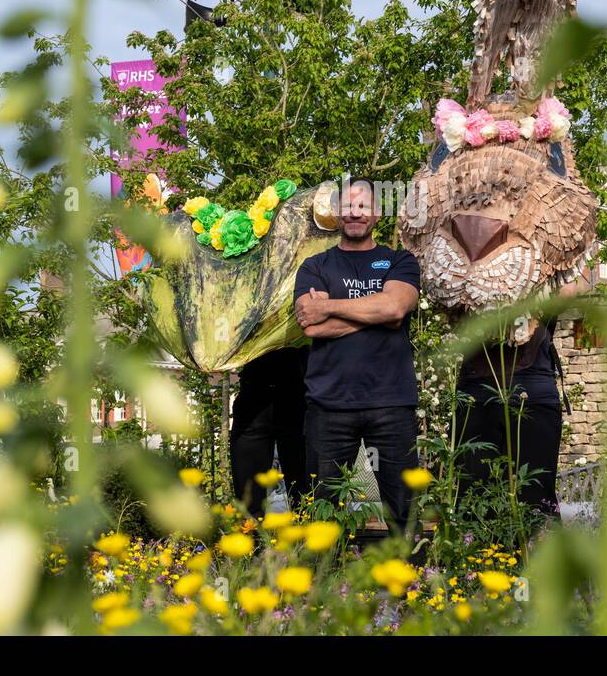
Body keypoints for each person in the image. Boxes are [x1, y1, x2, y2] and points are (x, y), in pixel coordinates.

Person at [292, 178, 421, 530]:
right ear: (337, 213)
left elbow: (395, 308)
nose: (355, 213)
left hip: (391, 403)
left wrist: (332, 307)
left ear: (377, 212)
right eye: (348, 206)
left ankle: (406, 583)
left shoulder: (401, 261)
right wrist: (378, 314)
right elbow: (312, 326)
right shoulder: (314, 267)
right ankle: (323, 582)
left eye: (363, 206)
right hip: (328, 406)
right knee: (323, 511)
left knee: (402, 510)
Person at [453, 315, 566, 520]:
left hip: (531, 391)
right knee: (474, 498)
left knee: (535, 499)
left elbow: (566, 291)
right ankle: (479, 550)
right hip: (477, 390)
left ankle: (536, 550)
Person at [229, 345, 309, 518]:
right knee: (248, 500)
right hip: (253, 397)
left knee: (305, 497)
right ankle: (249, 542)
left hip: (297, 396)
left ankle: (309, 542)